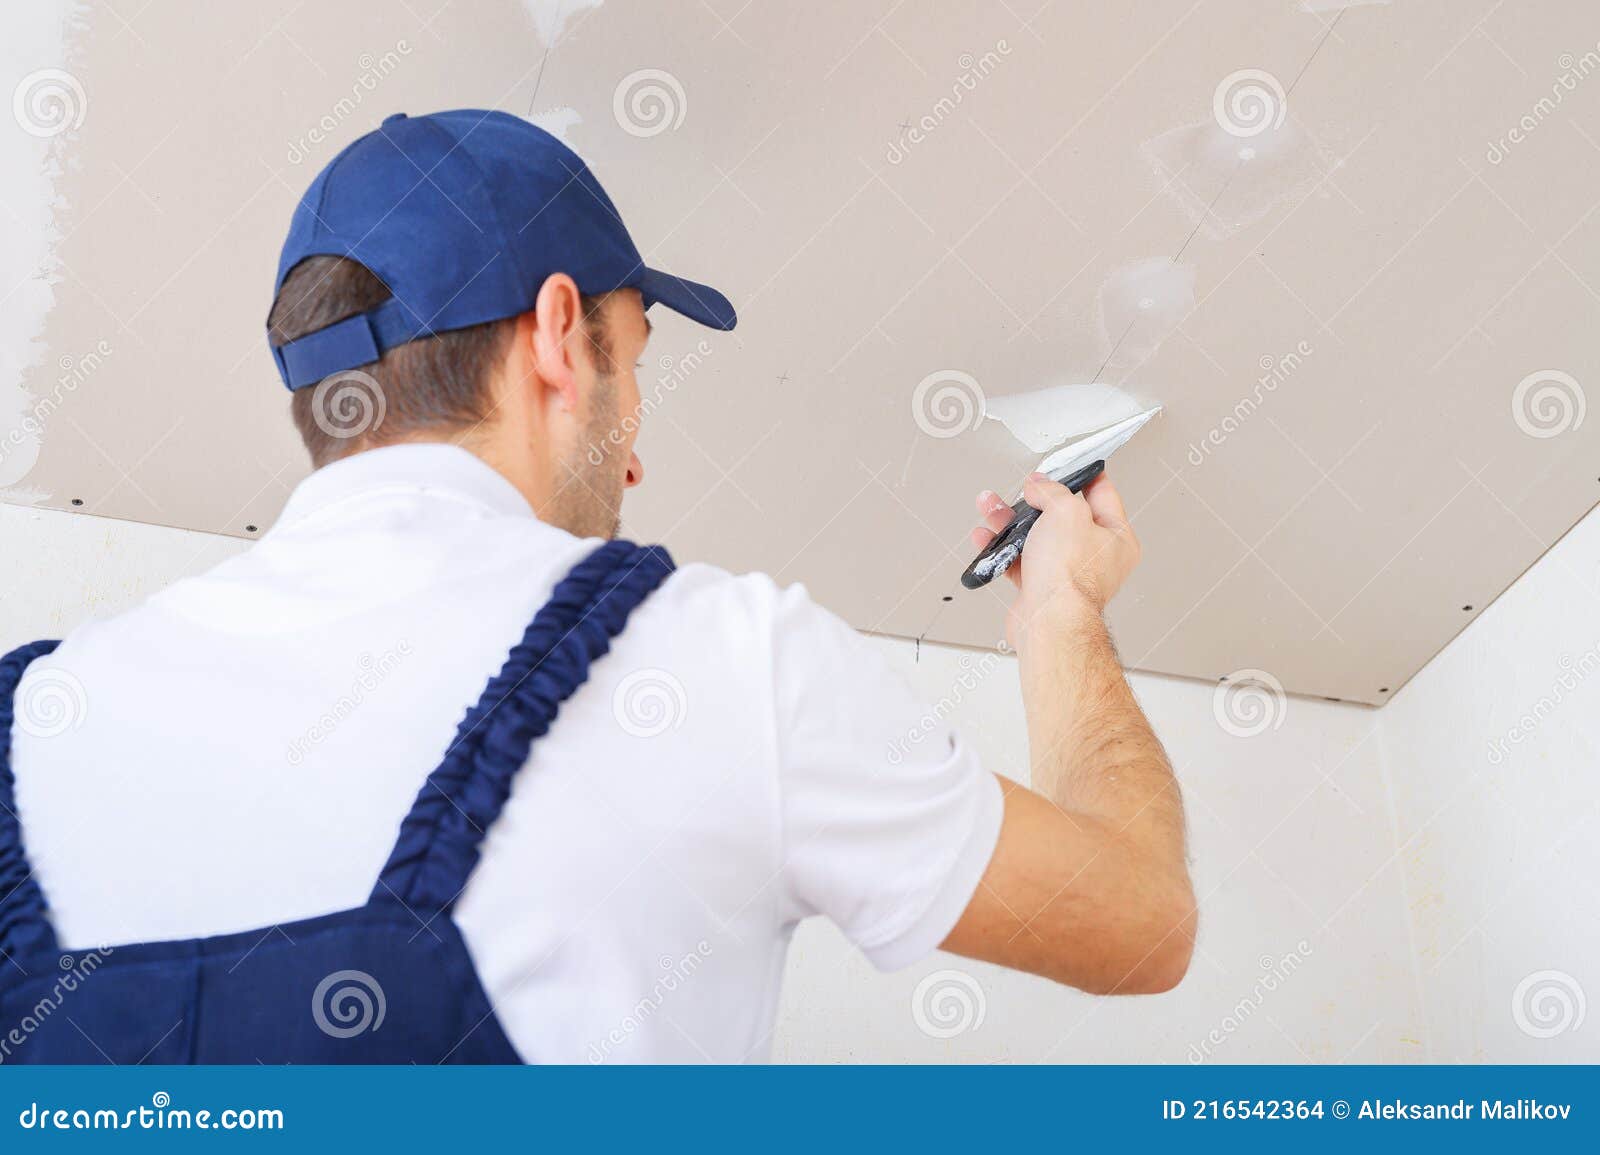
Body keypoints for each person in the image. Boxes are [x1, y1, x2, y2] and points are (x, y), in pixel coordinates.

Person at [0, 109, 1194, 1064]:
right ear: (559, 335)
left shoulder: (29, 717)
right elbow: (1141, 921)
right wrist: (1062, 615)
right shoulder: (721, 662)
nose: (633, 459)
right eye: (632, 367)